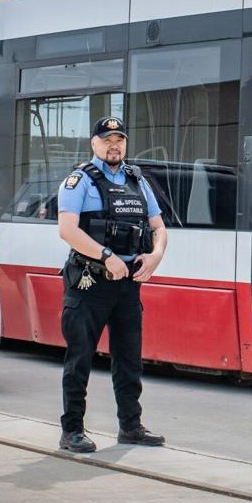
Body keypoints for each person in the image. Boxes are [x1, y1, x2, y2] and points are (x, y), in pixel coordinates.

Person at [56, 116, 168, 453]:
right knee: (80, 358)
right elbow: (68, 230)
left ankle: (130, 426)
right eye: (106, 140)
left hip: (129, 283)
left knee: (130, 358)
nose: (113, 145)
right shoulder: (80, 181)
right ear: (94, 144)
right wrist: (106, 256)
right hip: (90, 281)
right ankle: (72, 430)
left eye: (119, 139)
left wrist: (155, 256)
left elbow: (159, 227)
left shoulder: (137, 180)